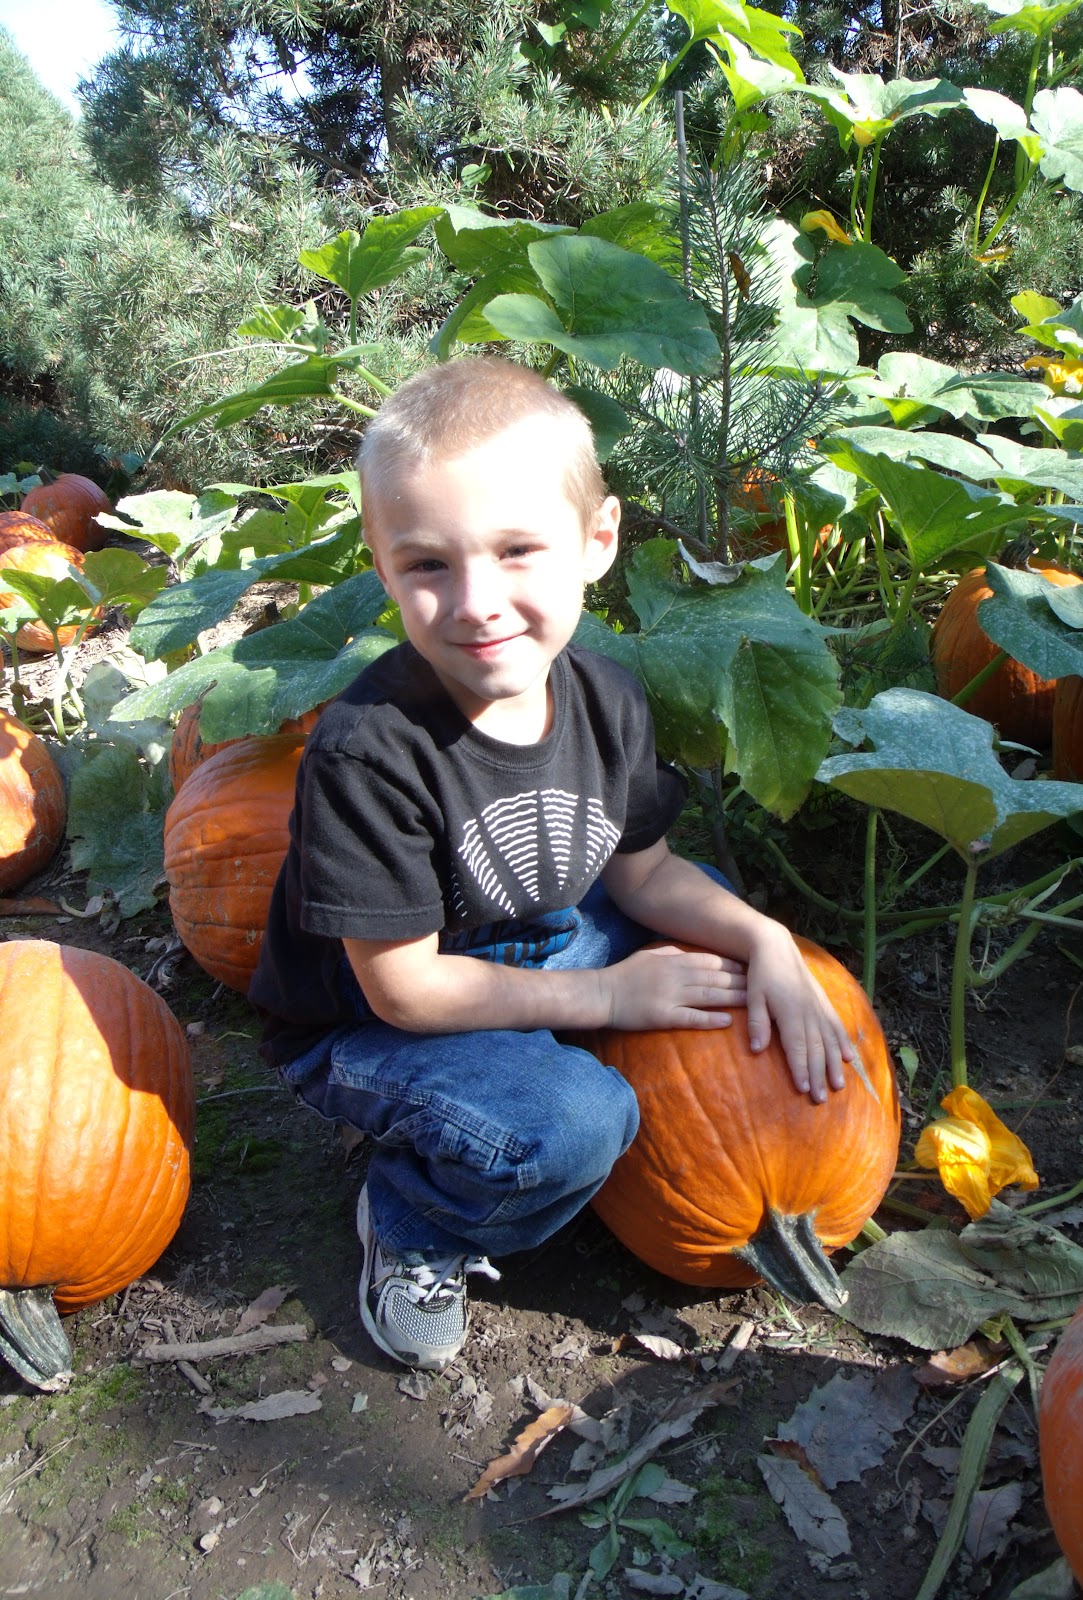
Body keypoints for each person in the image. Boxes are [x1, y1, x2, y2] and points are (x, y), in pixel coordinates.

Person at [249, 356, 853, 1373]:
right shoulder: (370, 749)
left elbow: (644, 872)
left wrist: (766, 940)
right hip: (370, 1024)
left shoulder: (608, 697)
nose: (478, 601)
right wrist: (613, 996)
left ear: (597, 542)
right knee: (573, 1124)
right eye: (430, 564)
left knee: (714, 934)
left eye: (518, 550)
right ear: (383, 563)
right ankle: (413, 1217)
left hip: (535, 944)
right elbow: (402, 989)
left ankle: (570, 1046)